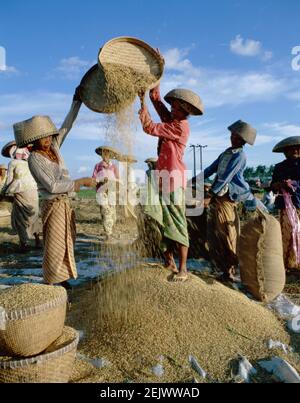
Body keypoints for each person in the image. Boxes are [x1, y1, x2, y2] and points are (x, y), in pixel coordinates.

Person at [13, 87, 95, 286]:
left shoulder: (55, 148)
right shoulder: (34, 158)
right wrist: (80, 182)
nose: (48, 139)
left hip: (65, 203)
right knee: (55, 245)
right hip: (53, 204)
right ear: (34, 140)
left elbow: (67, 125)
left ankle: (64, 278)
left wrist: (77, 102)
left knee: (68, 241)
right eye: (43, 137)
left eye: (49, 135)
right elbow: (51, 185)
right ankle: (52, 281)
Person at [138, 85, 204, 282]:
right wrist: (153, 87)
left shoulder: (179, 126)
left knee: (177, 221)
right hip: (161, 178)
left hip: (173, 181)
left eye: (175, 107)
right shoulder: (173, 119)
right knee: (161, 221)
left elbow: (149, 127)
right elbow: (159, 106)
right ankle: (169, 261)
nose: (171, 109)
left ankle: (183, 268)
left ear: (185, 109)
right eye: (172, 106)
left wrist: (141, 103)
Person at [203, 120, 266, 282]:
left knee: (227, 231)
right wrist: (192, 181)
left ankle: (230, 270)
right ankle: (224, 267)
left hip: (230, 195)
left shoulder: (240, 156)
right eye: (232, 135)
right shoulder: (226, 153)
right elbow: (211, 169)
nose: (233, 138)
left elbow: (225, 177)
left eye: (237, 137)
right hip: (219, 194)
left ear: (243, 141)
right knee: (217, 231)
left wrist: (210, 195)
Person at [1, 145, 41, 251]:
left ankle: (24, 244)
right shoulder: (30, 163)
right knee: (33, 216)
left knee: (19, 217)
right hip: (33, 191)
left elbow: (9, 180)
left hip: (20, 191)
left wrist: (2, 192)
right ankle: (38, 241)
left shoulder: (13, 163)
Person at [271, 136, 300, 272]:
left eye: (297, 148)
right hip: (285, 206)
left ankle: (297, 263)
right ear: (285, 152)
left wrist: (292, 183)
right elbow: (272, 185)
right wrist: (277, 185)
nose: (295, 151)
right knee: (287, 233)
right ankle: (287, 264)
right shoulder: (279, 167)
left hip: (298, 204)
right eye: (291, 149)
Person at [92, 146, 120, 240]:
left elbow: (118, 179)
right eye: (104, 153)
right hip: (101, 191)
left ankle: (112, 231)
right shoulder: (97, 166)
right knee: (105, 211)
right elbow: (93, 179)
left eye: (107, 153)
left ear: (110, 155)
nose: (105, 155)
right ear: (101, 155)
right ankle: (108, 234)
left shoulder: (114, 167)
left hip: (111, 190)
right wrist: (101, 180)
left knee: (112, 212)